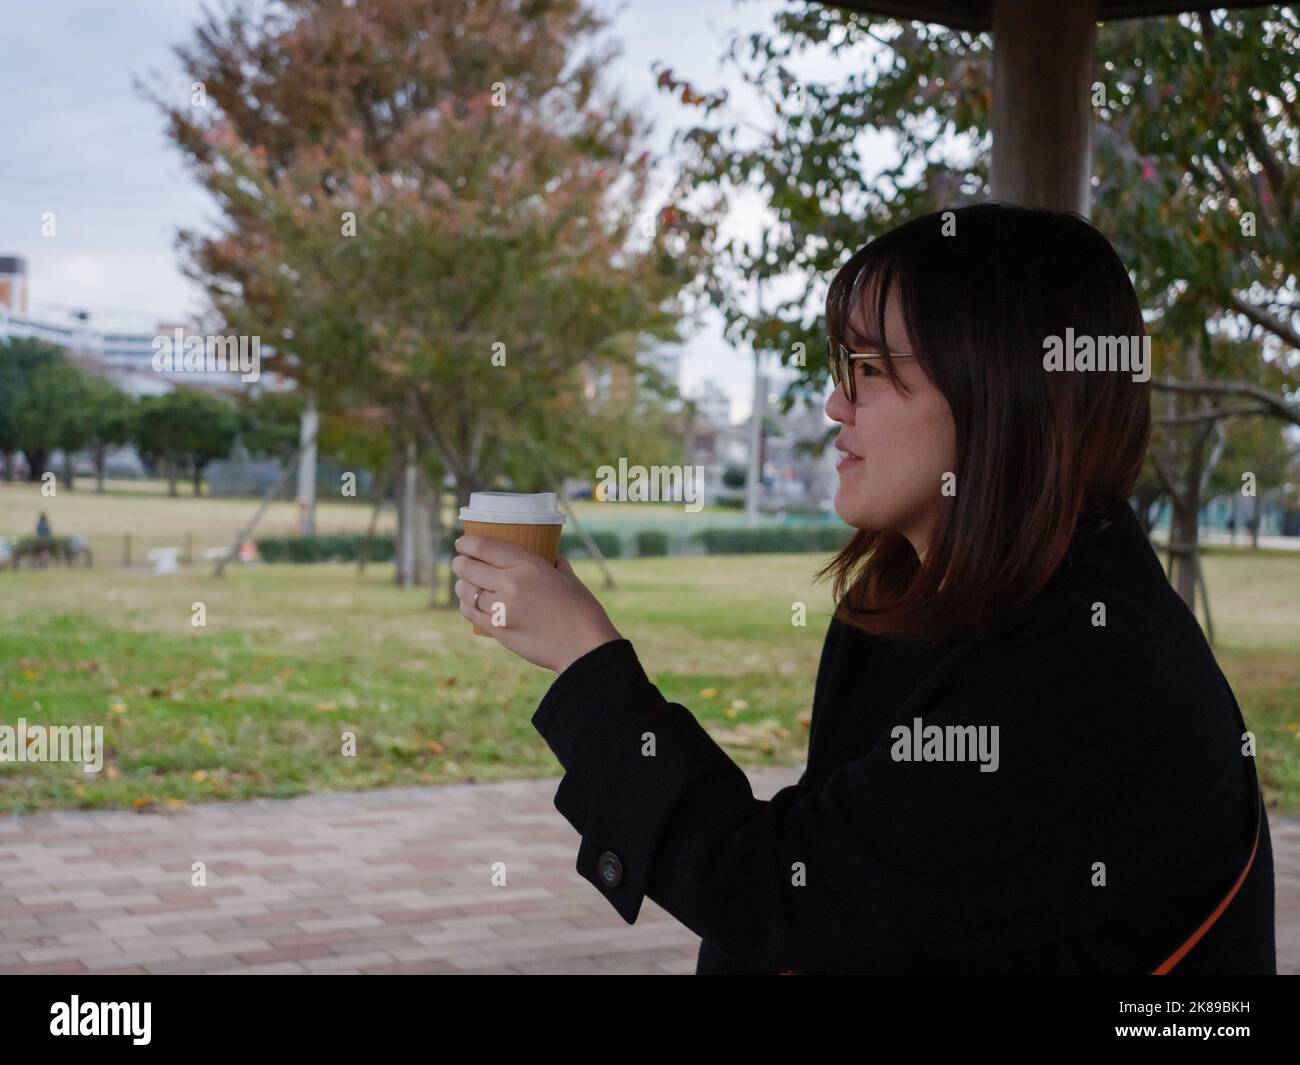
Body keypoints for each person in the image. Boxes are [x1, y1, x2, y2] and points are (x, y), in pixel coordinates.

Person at [450, 202, 1275, 974]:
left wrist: (586, 660)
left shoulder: (1087, 669)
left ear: (1002, 392)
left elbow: (778, 892)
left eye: (873, 370)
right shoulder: (921, 596)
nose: (835, 403)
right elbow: (838, 878)